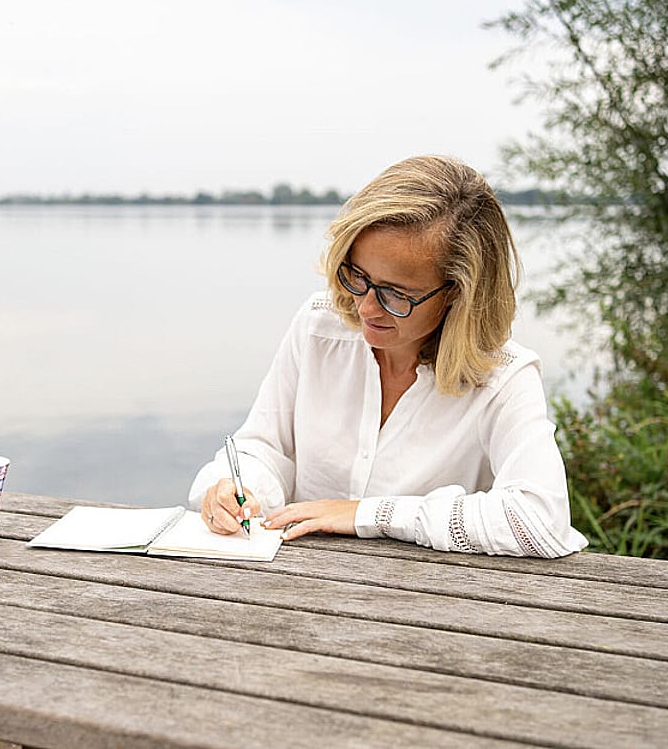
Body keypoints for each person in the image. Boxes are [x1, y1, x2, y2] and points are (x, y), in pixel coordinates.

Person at [188, 155, 588, 557]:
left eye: (396, 294)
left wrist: (367, 515)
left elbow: (539, 521)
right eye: (358, 276)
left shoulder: (505, 378)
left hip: (430, 608)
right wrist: (234, 487)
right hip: (296, 589)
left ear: (457, 293)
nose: (365, 309)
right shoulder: (318, 329)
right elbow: (265, 447)